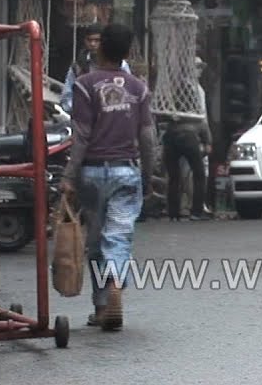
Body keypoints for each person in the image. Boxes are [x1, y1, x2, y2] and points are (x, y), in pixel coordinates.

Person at [60, 23, 157, 332]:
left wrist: (68, 176)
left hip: (91, 172)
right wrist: (149, 177)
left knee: (95, 240)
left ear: (99, 48)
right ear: (128, 53)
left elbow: (82, 136)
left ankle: (101, 306)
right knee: (118, 236)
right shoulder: (139, 88)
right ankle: (115, 280)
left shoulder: (85, 85)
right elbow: (147, 138)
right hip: (125, 170)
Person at [164, 57, 212, 221]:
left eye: (200, 67)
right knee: (198, 173)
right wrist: (207, 140)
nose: (199, 70)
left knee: (174, 176)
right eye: (197, 67)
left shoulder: (178, 87)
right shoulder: (193, 90)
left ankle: (173, 212)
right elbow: (202, 117)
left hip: (172, 135)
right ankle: (196, 210)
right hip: (190, 135)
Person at [62, 24, 131, 113]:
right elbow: (67, 97)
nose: (92, 44)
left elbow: (128, 94)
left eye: (97, 40)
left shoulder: (120, 65)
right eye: (89, 40)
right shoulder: (78, 66)